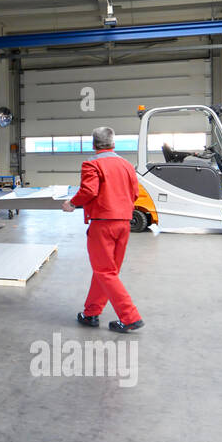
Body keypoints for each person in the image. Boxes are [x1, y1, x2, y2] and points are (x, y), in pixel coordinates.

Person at [62, 126, 144, 332]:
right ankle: (91, 313)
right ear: (113, 143)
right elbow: (135, 193)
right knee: (108, 271)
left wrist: (72, 203)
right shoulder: (126, 165)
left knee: (104, 271)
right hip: (124, 223)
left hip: (103, 224)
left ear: (93, 144)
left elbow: (89, 190)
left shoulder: (92, 164)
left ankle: (130, 317)